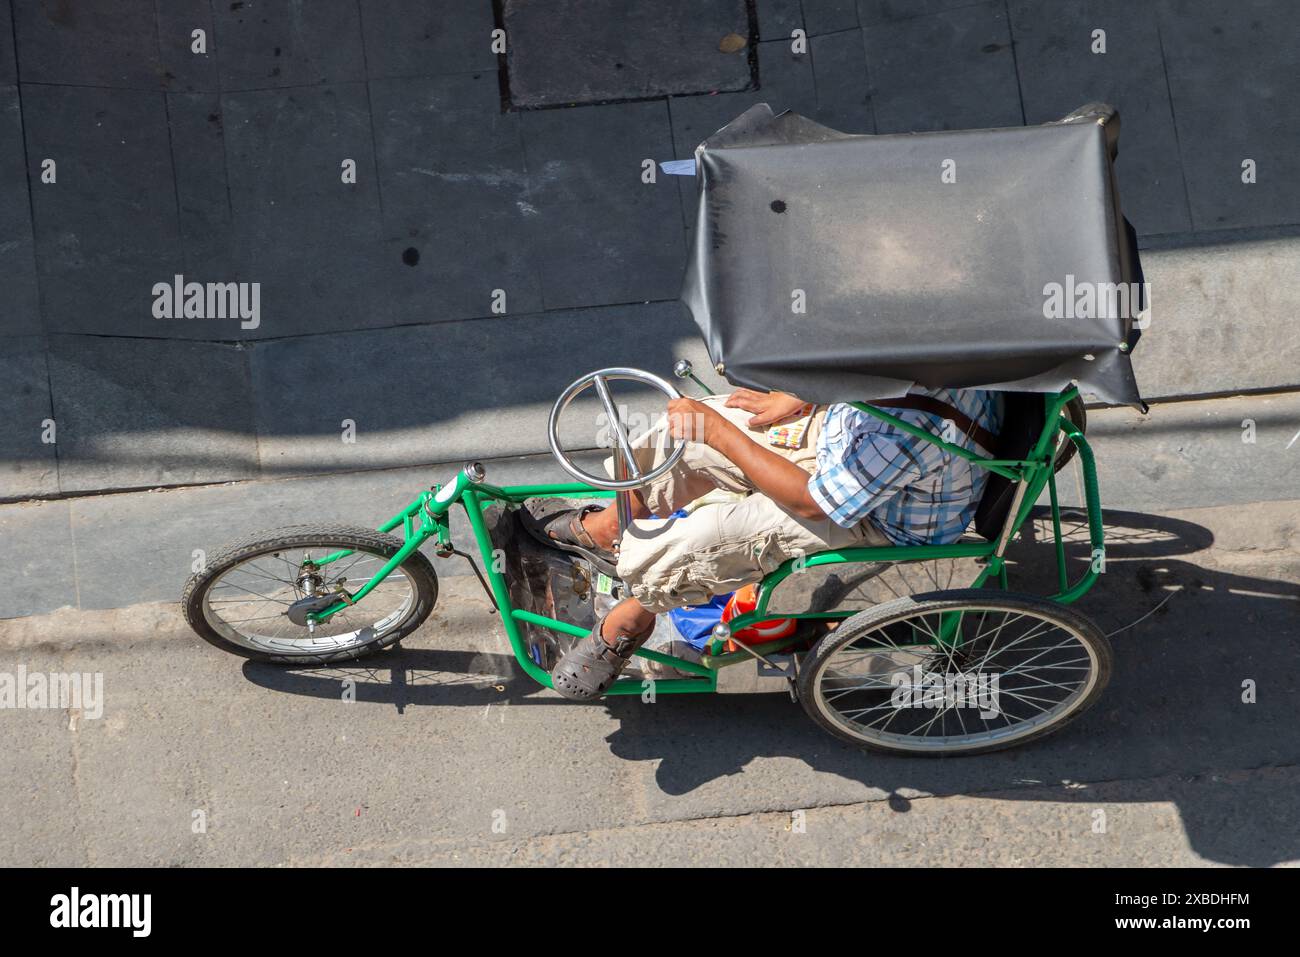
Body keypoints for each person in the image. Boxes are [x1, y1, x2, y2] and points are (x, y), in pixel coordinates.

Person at [522, 385, 1004, 700]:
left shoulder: (909, 431)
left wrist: (725, 437)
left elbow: (815, 502)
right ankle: (612, 525)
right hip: (858, 438)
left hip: (876, 514)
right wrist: (802, 396)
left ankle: (636, 612)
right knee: (688, 432)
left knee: (703, 537)